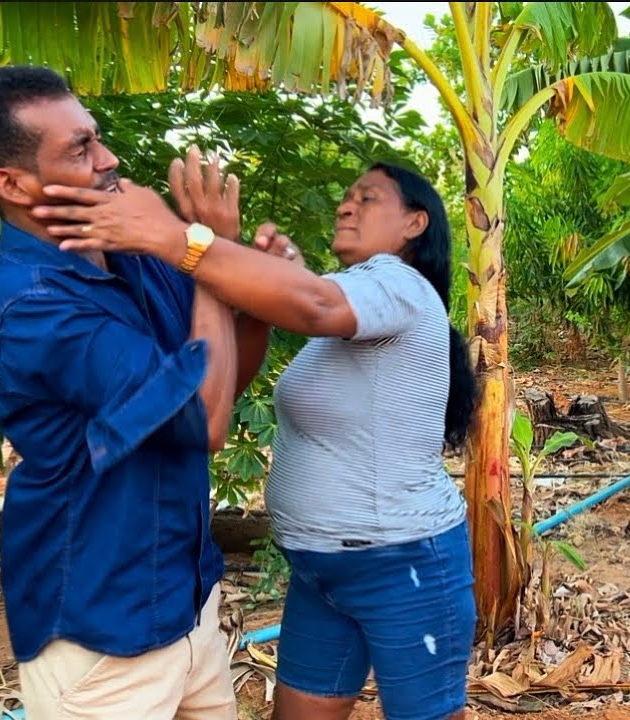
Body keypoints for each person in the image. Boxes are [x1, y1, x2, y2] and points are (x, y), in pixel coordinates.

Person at [29, 158, 481, 720]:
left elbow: (313, 303)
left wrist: (181, 240)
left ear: (415, 224)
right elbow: (237, 368)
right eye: (347, 195)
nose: (346, 205)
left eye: (368, 198)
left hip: (402, 564)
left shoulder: (398, 283)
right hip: (320, 569)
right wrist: (260, 276)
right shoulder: (353, 314)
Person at [0, 65, 273, 718]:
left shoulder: (134, 253)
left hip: (187, 603)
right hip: (102, 640)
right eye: (79, 148)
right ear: (12, 183)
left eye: (97, 136)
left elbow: (220, 384)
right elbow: (204, 418)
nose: (109, 157)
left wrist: (240, 292)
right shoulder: (31, 305)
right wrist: (205, 254)